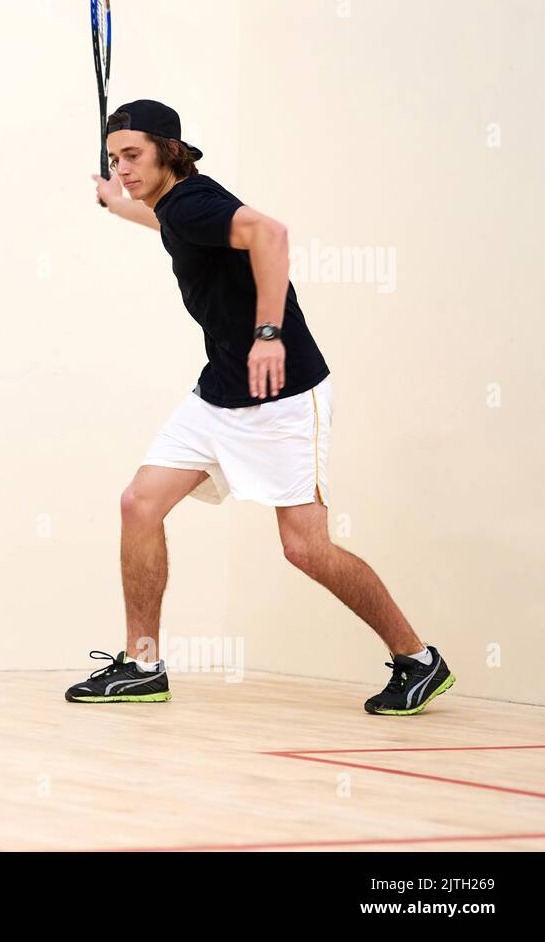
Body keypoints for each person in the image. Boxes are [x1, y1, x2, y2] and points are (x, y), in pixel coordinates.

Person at [64, 99, 454, 715]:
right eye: (115, 158)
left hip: (284, 396)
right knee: (140, 504)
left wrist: (268, 334)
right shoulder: (179, 204)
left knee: (305, 548)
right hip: (219, 393)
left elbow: (270, 233)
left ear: (169, 149)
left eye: (132, 156)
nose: (124, 167)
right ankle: (142, 665)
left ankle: (417, 658)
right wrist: (120, 204)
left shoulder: (193, 200)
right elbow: (171, 224)